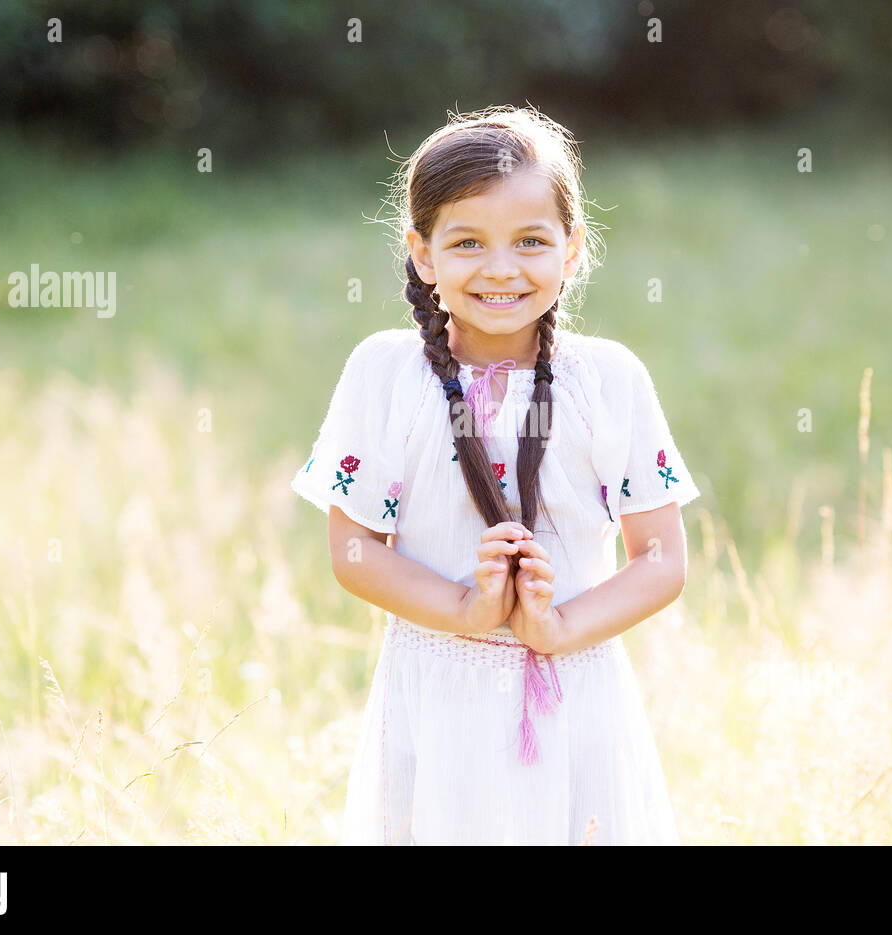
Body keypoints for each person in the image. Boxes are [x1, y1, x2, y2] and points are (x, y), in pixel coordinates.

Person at [291, 105, 701, 844]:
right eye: (468, 242)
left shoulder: (609, 380)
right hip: (436, 696)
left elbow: (663, 559)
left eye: (531, 241)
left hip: (578, 695)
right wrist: (464, 608)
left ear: (573, 250)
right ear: (422, 254)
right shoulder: (386, 373)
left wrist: (559, 624)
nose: (502, 267)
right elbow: (352, 549)